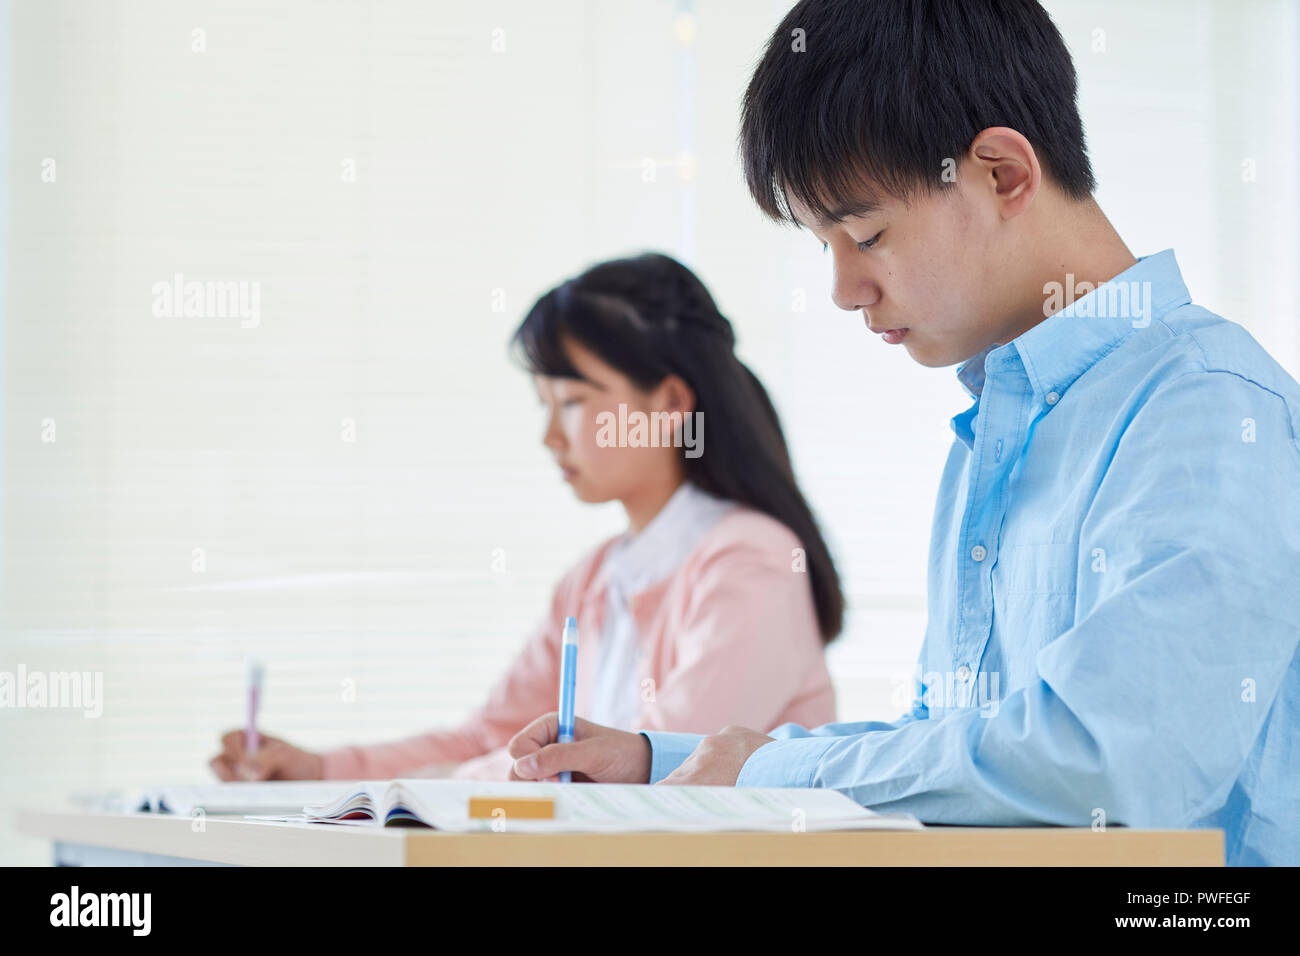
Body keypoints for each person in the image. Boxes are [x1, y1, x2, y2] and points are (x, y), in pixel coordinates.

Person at [507, 0, 1300, 867]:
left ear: (1001, 174)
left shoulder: (1208, 407)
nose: (846, 290)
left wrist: (777, 769)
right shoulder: (996, 431)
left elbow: (1110, 765)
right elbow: (957, 749)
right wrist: (681, 764)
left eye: (866, 235)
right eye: (825, 249)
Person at [210, 252, 845, 782]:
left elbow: (658, 762)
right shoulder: (595, 578)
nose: (550, 436)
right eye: (543, 403)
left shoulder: (751, 558)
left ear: (671, 403)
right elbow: (487, 738)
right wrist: (324, 771)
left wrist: (444, 789)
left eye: (571, 400)